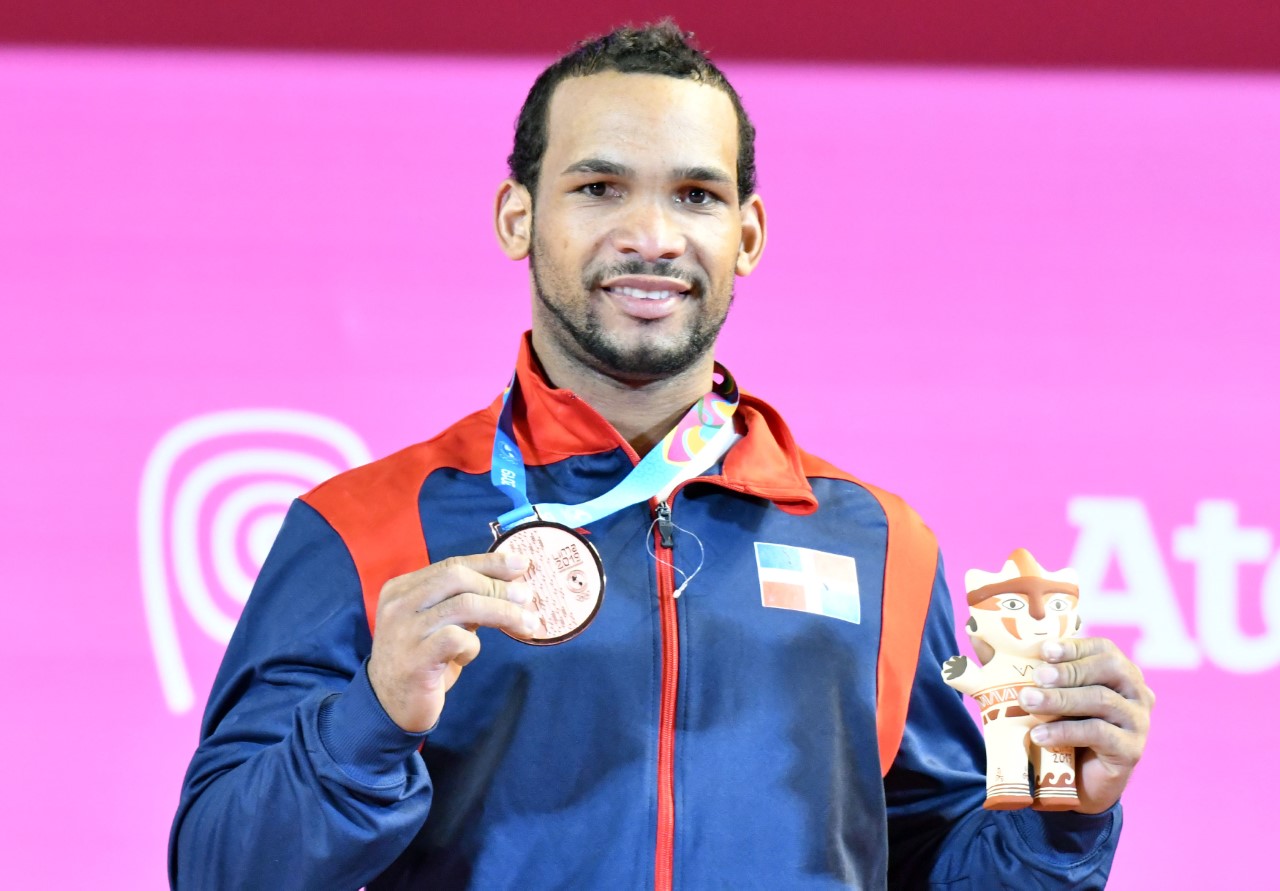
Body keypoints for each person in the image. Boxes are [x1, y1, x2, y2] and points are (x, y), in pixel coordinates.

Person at [170, 21, 1153, 889]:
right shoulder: (366, 528)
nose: (649, 236)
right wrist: (373, 717)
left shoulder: (880, 547)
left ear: (748, 233)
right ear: (518, 216)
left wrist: (1057, 818)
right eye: (598, 188)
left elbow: (935, 869)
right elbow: (217, 869)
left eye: (693, 196)